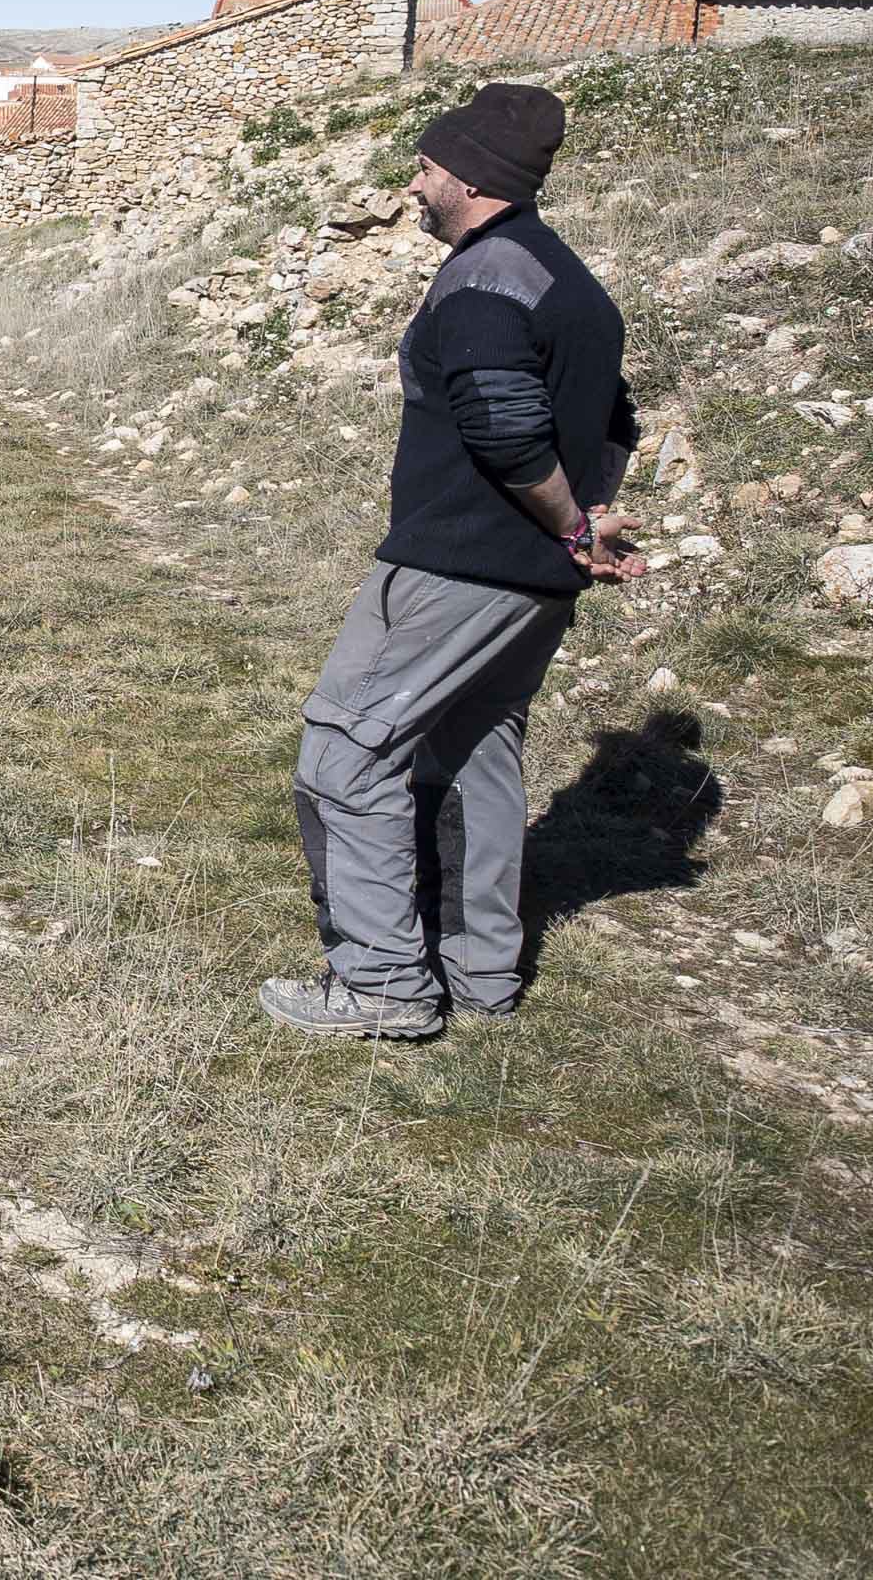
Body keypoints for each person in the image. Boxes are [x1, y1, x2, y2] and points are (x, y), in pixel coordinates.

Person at [261, 81, 641, 1042]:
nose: (417, 184)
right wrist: (587, 520)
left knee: (348, 753)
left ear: (469, 177)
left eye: (429, 167)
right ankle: (480, 972)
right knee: (475, 756)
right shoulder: (569, 280)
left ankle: (384, 983)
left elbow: (509, 431)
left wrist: (566, 522)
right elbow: (615, 420)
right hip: (528, 585)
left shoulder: (484, 279)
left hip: (458, 570)